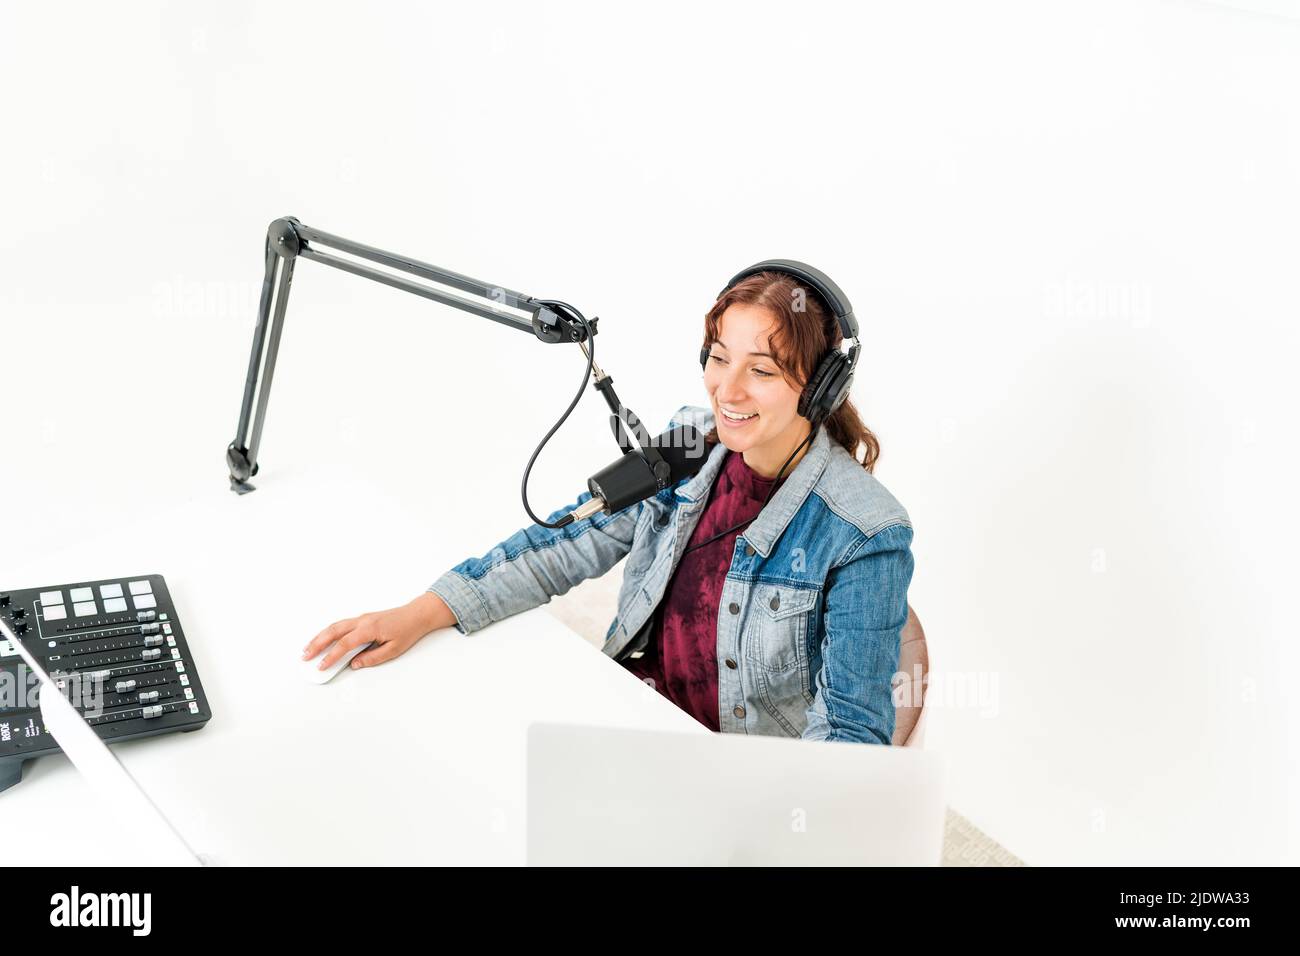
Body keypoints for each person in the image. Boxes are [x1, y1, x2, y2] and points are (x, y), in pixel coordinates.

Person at [303, 265, 914, 744]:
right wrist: (421, 612)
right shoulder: (689, 441)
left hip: (735, 769)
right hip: (635, 712)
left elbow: (849, 734)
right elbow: (563, 544)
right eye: (720, 358)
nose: (727, 390)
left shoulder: (866, 530)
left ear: (821, 386)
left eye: (762, 371)